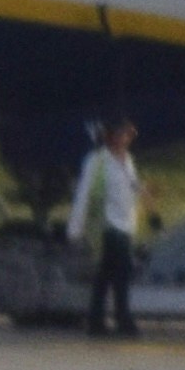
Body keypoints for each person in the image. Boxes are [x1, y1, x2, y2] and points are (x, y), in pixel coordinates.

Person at [70, 115, 144, 339]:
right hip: (107, 224)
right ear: (112, 137)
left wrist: (143, 191)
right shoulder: (97, 161)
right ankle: (123, 319)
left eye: (128, 134)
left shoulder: (127, 160)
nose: (126, 138)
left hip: (125, 224)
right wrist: (76, 228)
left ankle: (96, 320)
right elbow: (84, 194)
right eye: (122, 134)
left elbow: (131, 186)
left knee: (105, 274)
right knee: (121, 272)